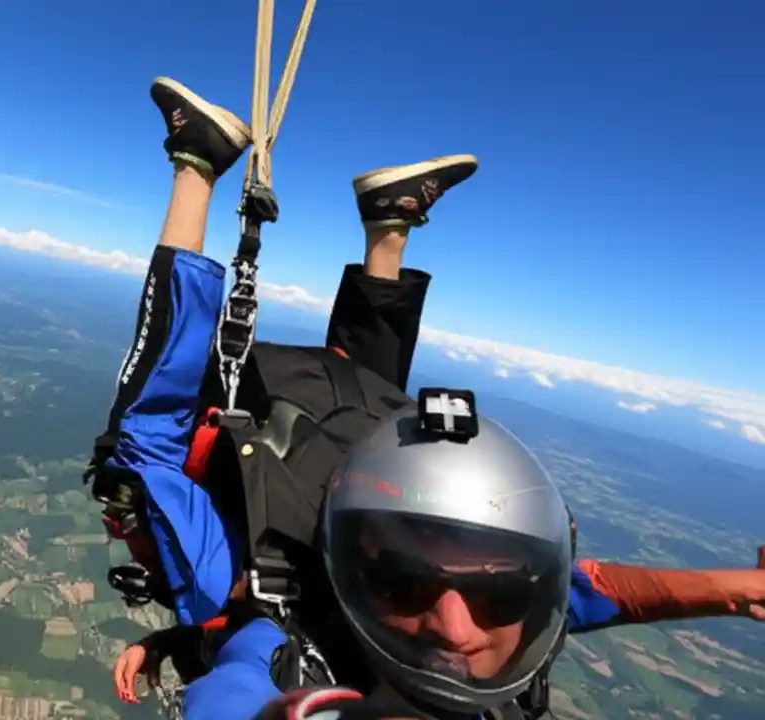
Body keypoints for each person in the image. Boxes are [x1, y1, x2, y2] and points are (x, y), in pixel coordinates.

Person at [89, 76, 765, 720]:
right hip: (309, 531)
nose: (457, 625)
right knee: (364, 411)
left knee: (149, 450)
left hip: (269, 576)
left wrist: (193, 650)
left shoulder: (281, 657)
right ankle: (238, 176)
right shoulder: (489, 645)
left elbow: (235, 693)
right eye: (492, 590)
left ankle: (241, 179)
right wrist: (735, 590)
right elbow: (582, 592)